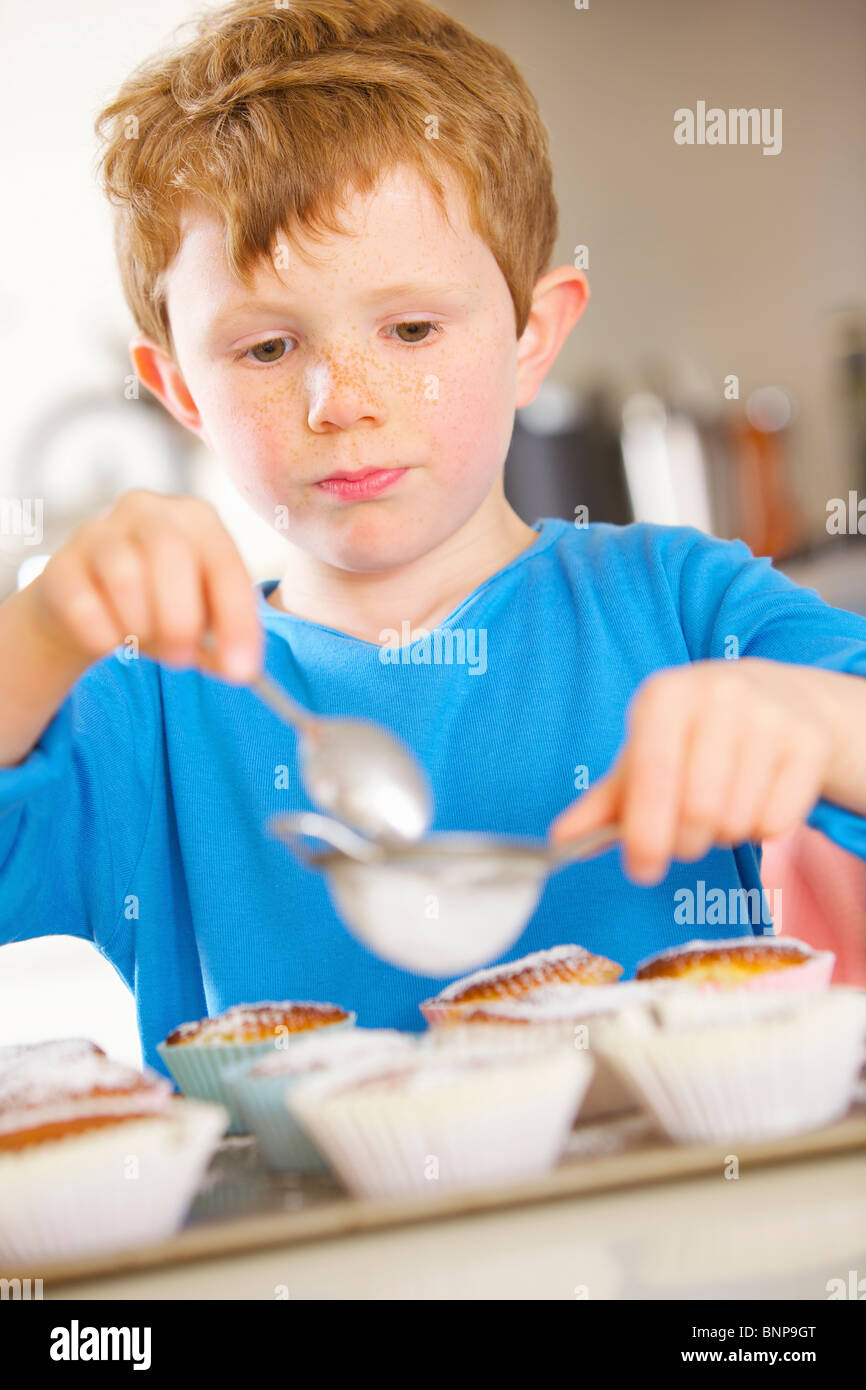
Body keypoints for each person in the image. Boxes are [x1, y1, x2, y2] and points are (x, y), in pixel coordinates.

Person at [2, 0, 865, 1076]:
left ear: (529, 337)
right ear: (179, 389)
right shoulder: (145, 707)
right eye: (266, 348)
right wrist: (33, 639)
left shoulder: (683, 605)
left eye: (409, 328)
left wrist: (819, 720)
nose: (339, 400)